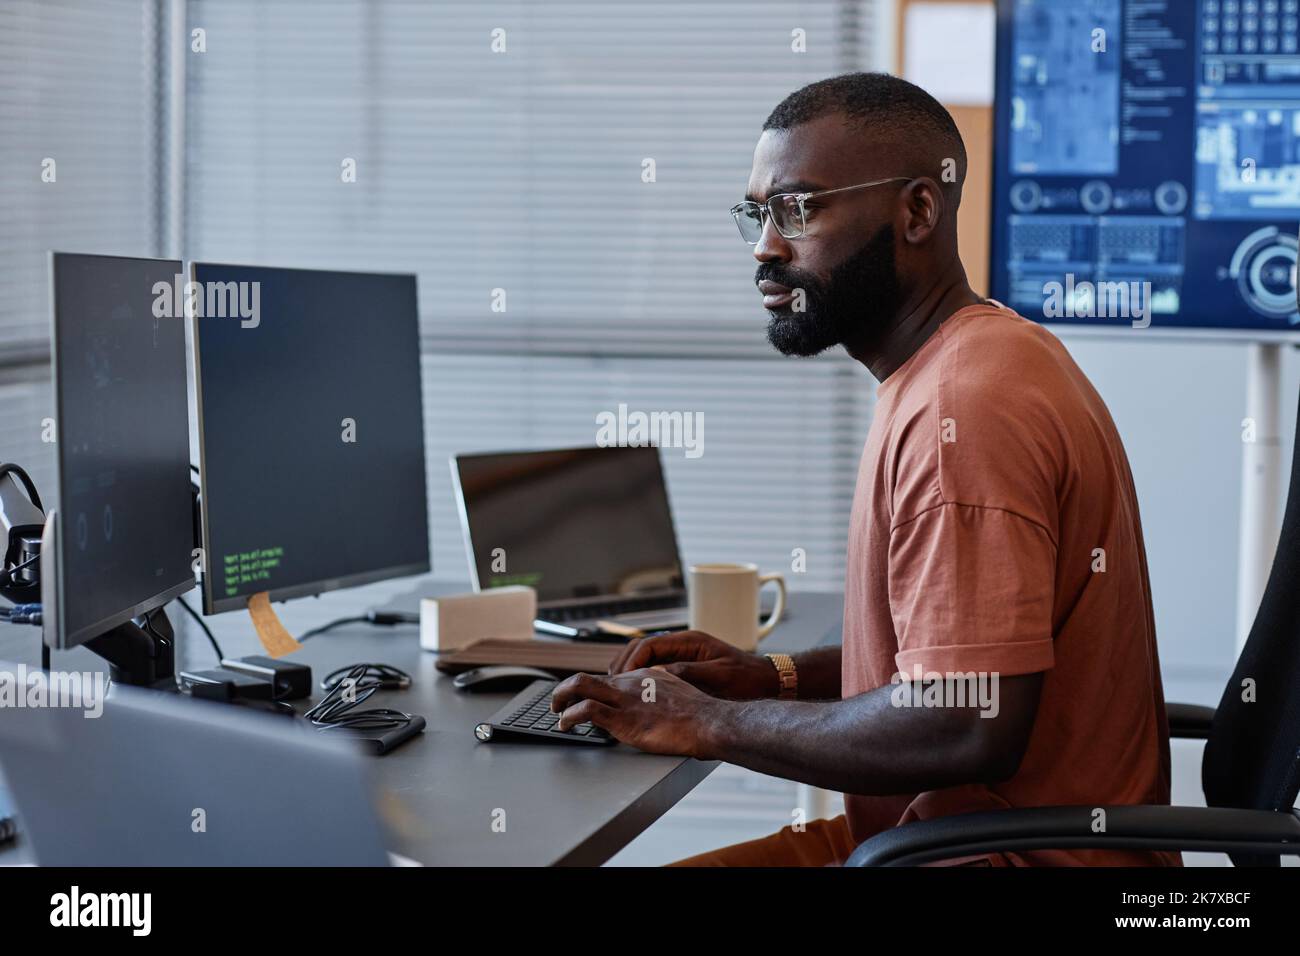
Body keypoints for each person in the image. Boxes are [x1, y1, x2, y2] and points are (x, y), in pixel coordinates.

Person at [551, 72, 1179, 867]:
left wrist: (706, 722)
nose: (765, 245)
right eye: (757, 211)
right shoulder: (964, 363)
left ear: (917, 210)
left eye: (799, 208)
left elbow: (961, 720)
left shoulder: (966, 412)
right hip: (921, 840)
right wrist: (764, 678)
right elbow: (948, 660)